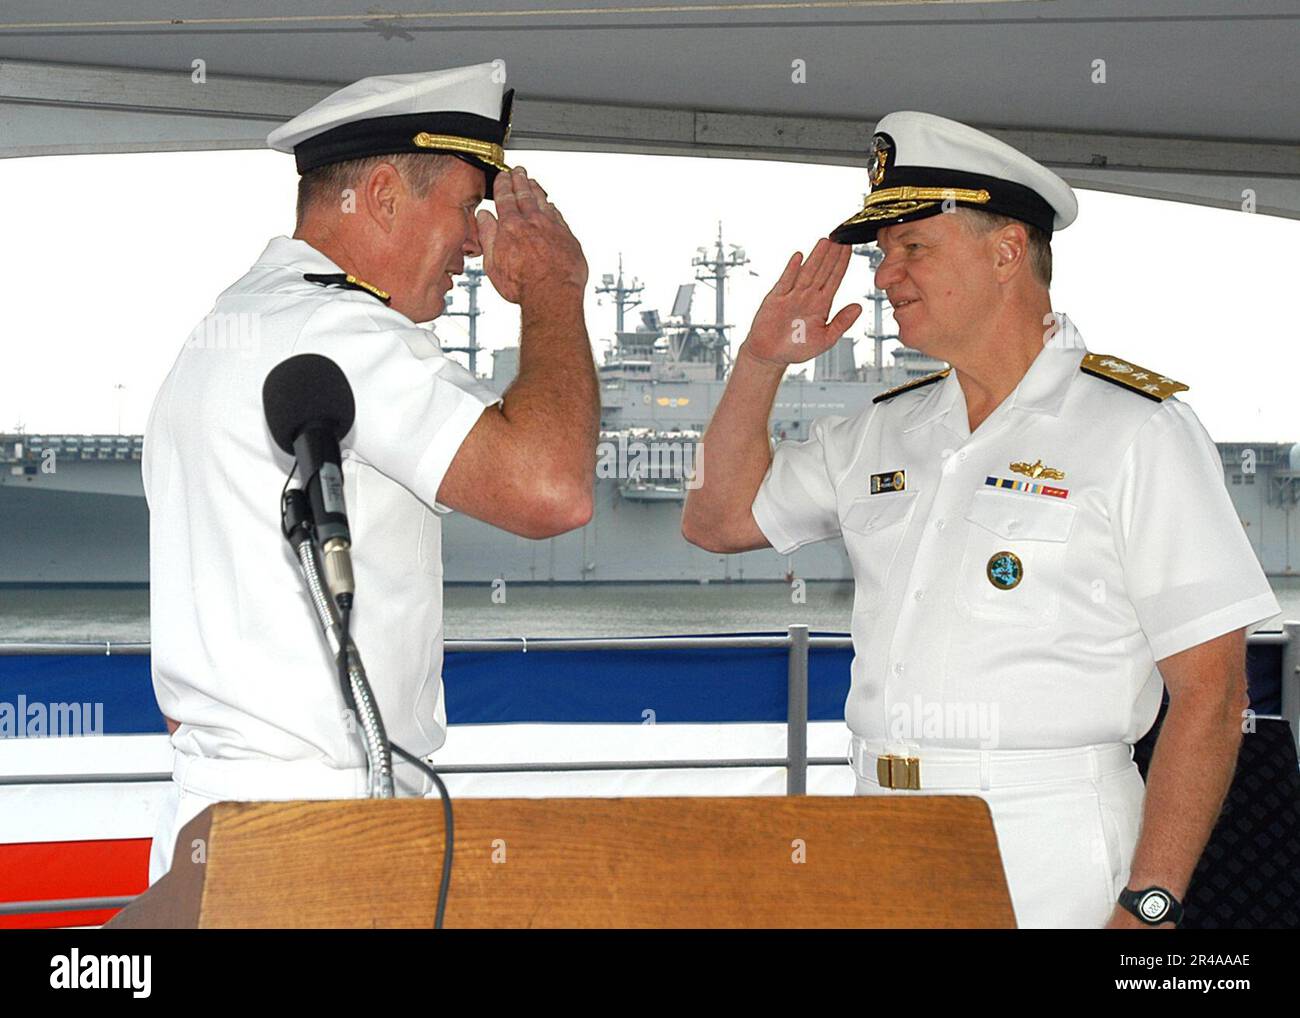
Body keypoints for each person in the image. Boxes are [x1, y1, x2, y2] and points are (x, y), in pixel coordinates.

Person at [682, 111, 1280, 928]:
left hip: (1045, 846)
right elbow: (716, 522)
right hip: (872, 827)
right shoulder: (881, 430)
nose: (886, 275)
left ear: (1006, 251)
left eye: (913, 248)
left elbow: (1210, 694)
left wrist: (1147, 905)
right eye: (882, 253)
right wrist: (757, 363)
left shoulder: (1138, 430)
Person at [144, 64, 598, 884]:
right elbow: (551, 489)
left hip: (222, 816)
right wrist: (555, 292)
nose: (474, 240)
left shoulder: (232, 324)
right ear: (384, 196)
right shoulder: (339, 333)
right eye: (466, 207)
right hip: (323, 833)